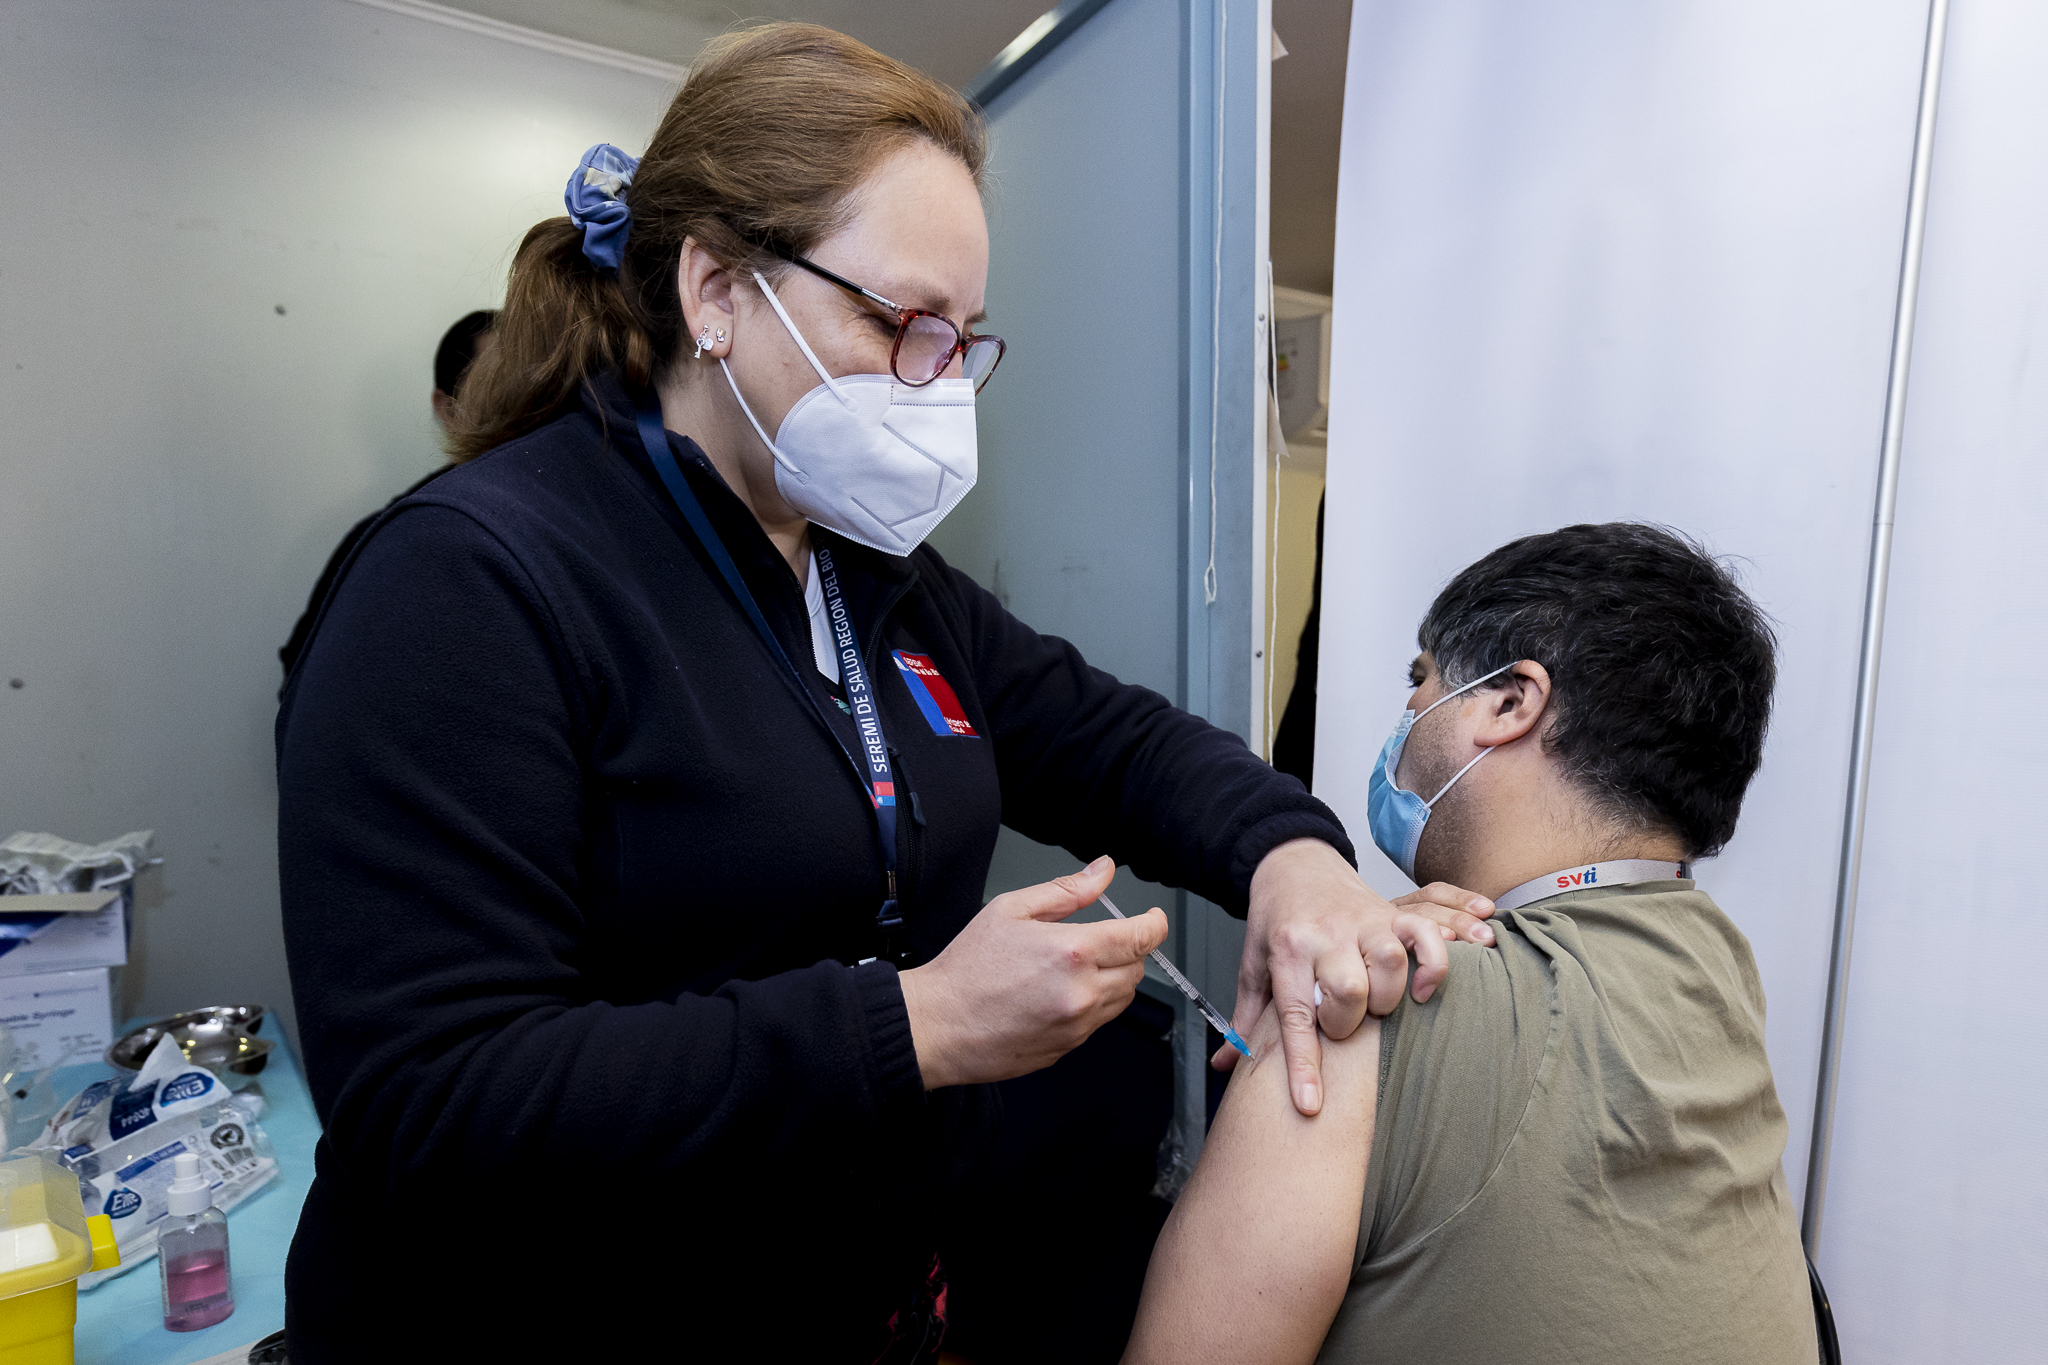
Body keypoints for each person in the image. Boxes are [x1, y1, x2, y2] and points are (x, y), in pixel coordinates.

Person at [273, 25, 1490, 1362]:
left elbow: (1108, 742)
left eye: (963, 340)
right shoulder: (476, 580)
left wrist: (1291, 857)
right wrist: (919, 1023)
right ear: (718, 289)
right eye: (899, 324)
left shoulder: (871, 576)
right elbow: (435, 1103)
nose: (940, 385)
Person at [1127, 522, 1816, 1365]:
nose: (1407, 714)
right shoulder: (1717, 966)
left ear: (1509, 702)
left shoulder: (1379, 1004)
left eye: (1421, 680)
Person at [275, 308, 494, 677]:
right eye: (501, 386)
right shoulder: (392, 538)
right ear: (448, 410)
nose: (532, 407)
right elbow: (304, 673)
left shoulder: (583, 517)